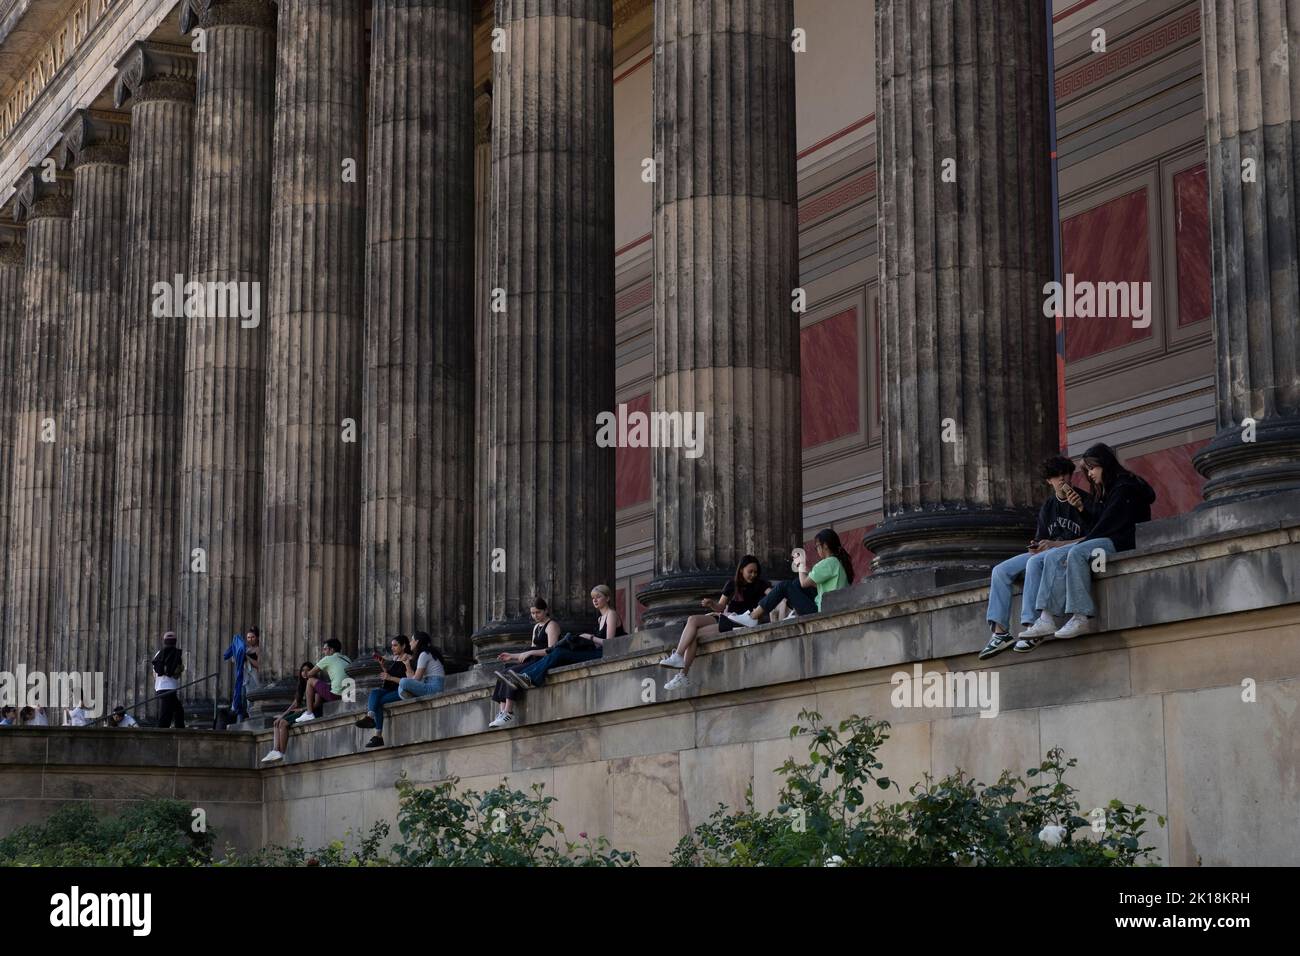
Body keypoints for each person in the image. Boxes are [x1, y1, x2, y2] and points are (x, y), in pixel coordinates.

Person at [1016, 443, 1156, 649]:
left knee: (1075, 552)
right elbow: (1100, 522)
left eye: (1092, 468)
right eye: (1087, 470)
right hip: (1106, 538)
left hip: (1121, 541)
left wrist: (1081, 530)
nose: (1089, 474)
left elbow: (1107, 526)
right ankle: (1046, 618)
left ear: (1105, 465)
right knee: (1052, 556)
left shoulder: (1124, 486)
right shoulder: (1107, 488)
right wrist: (1082, 508)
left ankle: (1080, 616)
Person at [977, 455, 1092, 660]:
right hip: (1047, 552)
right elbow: (1041, 538)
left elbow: (1092, 537)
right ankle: (1000, 633)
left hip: (1069, 552)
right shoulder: (1048, 505)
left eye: (1065, 474)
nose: (1062, 479)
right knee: (1000, 571)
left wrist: (1056, 544)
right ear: (1049, 481)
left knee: (1034, 562)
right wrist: (1036, 545)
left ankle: (1032, 626)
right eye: (1056, 476)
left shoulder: (1083, 500)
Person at [658, 555, 771, 691]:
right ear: (741, 570)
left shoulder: (760, 584)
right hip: (725, 617)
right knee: (692, 620)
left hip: (740, 622)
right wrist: (712, 604)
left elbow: (773, 594)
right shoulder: (732, 584)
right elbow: (721, 607)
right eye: (750, 571)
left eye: (755, 572)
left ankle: (682, 674)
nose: (753, 575)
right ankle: (678, 656)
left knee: (694, 635)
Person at [501, 585, 625, 694]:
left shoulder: (611, 614)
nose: (595, 600)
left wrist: (589, 637)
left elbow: (609, 644)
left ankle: (528, 676)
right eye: (593, 598)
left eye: (598, 597)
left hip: (603, 653)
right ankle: (525, 675)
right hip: (596, 651)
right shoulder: (600, 619)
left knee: (559, 652)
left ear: (607, 598)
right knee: (558, 650)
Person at [726, 529, 855, 627]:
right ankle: (792, 611)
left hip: (823, 610)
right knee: (795, 583)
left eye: (817, 546)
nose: (817, 550)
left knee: (785, 586)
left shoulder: (828, 562)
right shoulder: (837, 563)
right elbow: (810, 584)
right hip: (829, 606)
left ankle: (753, 616)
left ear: (825, 545)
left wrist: (801, 564)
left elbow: (804, 583)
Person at [489, 598, 562, 729]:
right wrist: (511, 656)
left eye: (538, 612)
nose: (535, 616)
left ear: (546, 611)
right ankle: (502, 711)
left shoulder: (552, 625)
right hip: (534, 658)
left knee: (512, 673)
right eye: (533, 613)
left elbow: (552, 650)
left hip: (543, 660)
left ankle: (508, 712)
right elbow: (531, 651)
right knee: (504, 672)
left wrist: (529, 654)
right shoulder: (536, 628)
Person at [354, 636, 413, 750]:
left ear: (404, 646)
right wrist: (384, 667)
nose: (393, 648)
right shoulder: (396, 659)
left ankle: (377, 734)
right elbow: (389, 678)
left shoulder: (409, 659)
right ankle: (371, 720)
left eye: (395, 645)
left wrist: (389, 677)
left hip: (402, 691)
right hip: (391, 689)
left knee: (377, 702)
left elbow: (409, 681)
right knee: (375, 693)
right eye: (392, 645)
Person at [262, 662, 314, 763]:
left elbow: (316, 703)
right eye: (303, 670)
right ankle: (275, 750)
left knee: (283, 723)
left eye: (307, 670)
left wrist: (303, 709)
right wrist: (282, 715)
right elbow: (294, 704)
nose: (305, 672)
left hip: (306, 711)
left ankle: (281, 752)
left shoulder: (313, 683)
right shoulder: (302, 686)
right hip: (299, 711)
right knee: (277, 721)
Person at [296, 638, 352, 723]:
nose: (324, 652)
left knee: (310, 681)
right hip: (350, 696)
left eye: (325, 649)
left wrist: (304, 673)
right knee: (323, 684)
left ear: (331, 650)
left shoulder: (328, 659)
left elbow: (310, 674)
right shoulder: (347, 658)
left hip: (337, 696)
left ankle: (309, 713)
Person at [398, 632, 446, 700]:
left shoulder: (424, 654)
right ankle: (413, 697)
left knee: (402, 682)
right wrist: (407, 665)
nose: (410, 643)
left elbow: (416, 679)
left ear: (417, 642)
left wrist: (408, 681)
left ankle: (413, 697)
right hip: (429, 685)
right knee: (401, 686)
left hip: (433, 688)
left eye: (412, 640)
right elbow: (413, 679)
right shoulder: (425, 653)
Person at [152, 631, 185, 728]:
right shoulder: (177, 654)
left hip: (160, 687)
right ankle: (161, 734)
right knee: (167, 713)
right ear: (175, 641)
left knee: (176, 710)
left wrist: (158, 682)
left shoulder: (159, 654)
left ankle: (178, 729)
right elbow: (177, 674)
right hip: (170, 687)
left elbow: (154, 672)